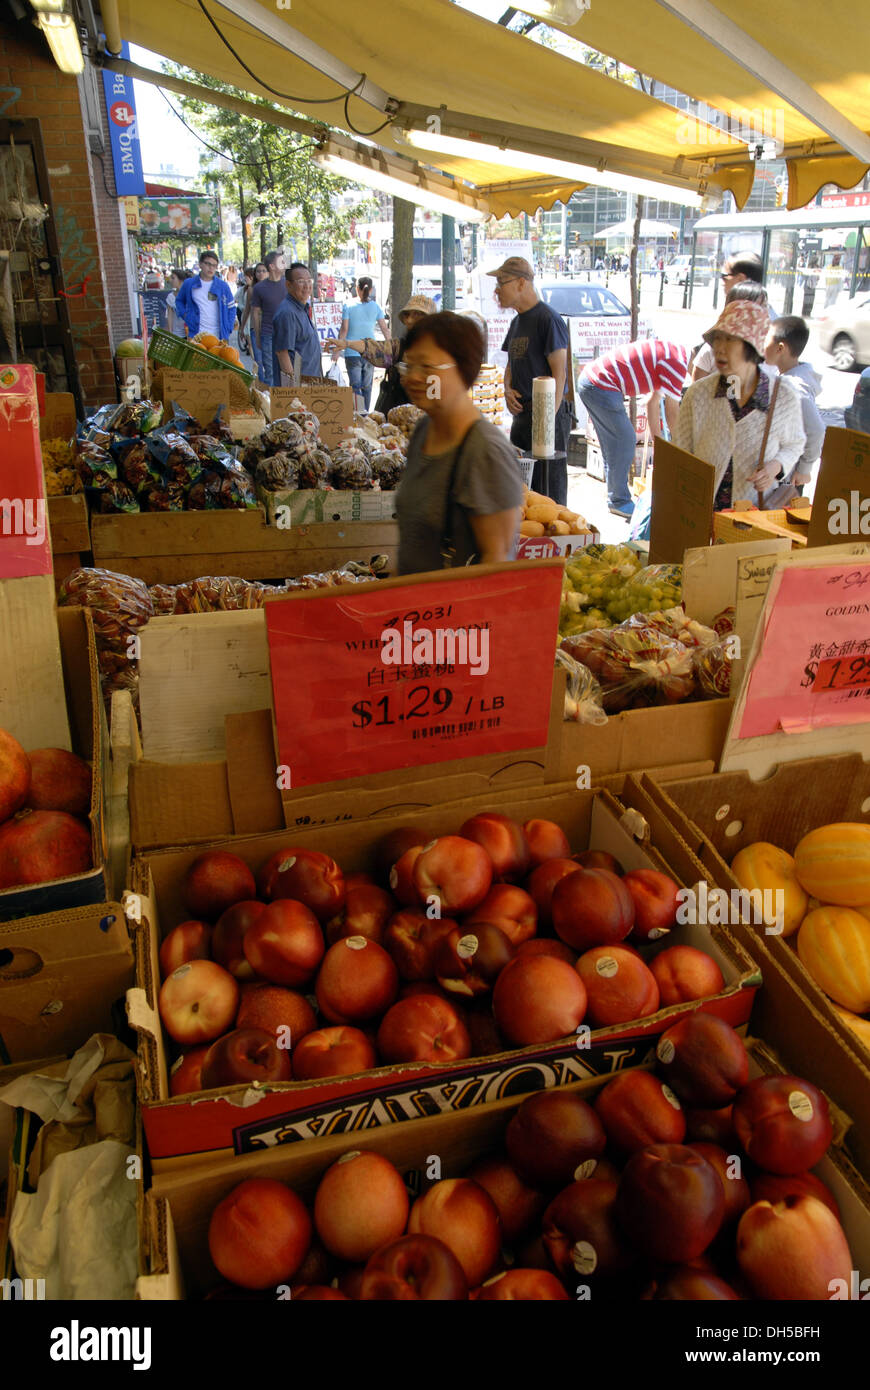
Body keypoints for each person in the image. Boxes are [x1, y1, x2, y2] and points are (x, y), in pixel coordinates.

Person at [395, 312, 524, 575]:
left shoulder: (484, 450)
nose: (414, 378)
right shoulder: (424, 429)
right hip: (412, 611)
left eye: (427, 367)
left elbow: (496, 562)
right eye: (408, 366)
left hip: (452, 613)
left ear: (463, 369)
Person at [674, 301, 805, 511]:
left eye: (730, 340)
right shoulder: (698, 395)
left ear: (752, 347)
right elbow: (680, 455)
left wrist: (775, 467)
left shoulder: (783, 398)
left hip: (752, 519)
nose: (719, 349)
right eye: (717, 340)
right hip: (699, 514)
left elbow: (795, 444)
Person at [489, 256, 571, 505]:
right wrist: (507, 389)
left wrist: (547, 422)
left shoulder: (548, 319)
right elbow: (511, 365)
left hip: (548, 417)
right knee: (521, 489)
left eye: (502, 282)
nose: (496, 290)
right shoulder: (516, 323)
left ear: (522, 283)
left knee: (548, 492)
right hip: (522, 416)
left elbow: (560, 373)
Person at [579, 339, 689, 519]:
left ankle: (615, 496)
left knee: (615, 446)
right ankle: (619, 500)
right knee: (624, 440)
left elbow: (652, 404)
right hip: (599, 384)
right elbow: (672, 413)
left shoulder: (672, 355)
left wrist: (661, 446)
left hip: (592, 381)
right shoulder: (677, 363)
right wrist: (680, 451)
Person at [325, 294, 437, 414]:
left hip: (428, 419)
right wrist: (347, 343)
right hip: (398, 421)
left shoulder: (441, 352)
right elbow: (375, 348)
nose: (409, 320)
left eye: (416, 315)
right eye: (408, 315)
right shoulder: (399, 346)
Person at [692, 251, 776, 382]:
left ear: (741, 279)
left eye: (725, 276)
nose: (722, 282)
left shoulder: (771, 335)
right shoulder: (709, 351)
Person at [763, 315, 824, 493]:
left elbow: (816, 430)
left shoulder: (795, 388)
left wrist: (804, 469)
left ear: (780, 348)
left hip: (788, 476)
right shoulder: (788, 378)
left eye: (766, 339)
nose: (762, 345)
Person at [338, 277, 388, 410]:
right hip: (371, 351)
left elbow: (344, 330)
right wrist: (390, 349)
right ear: (370, 290)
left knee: (355, 386)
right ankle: (366, 415)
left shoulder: (348, 305)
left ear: (356, 288)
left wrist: (337, 350)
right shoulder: (376, 307)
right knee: (367, 387)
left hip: (352, 352)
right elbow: (384, 329)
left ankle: (359, 414)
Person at [273, 262, 322, 385]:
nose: (307, 286)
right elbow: (282, 353)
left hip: (310, 383)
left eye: (309, 281)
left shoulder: (301, 308)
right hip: (299, 390)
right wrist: (294, 389)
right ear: (288, 285)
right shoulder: (288, 313)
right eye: (300, 281)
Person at [173, 250, 236, 342]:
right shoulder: (189, 284)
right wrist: (185, 315)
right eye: (208, 264)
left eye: (214, 265)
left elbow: (231, 307)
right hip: (196, 335)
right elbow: (179, 301)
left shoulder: (222, 286)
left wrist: (228, 327)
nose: (211, 268)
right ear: (200, 264)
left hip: (219, 336)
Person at [250, 250, 288, 386]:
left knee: (288, 371)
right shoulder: (259, 288)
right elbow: (255, 313)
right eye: (281, 262)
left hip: (287, 333)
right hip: (268, 334)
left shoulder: (288, 285)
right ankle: (271, 403)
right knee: (270, 371)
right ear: (272, 266)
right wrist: (258, 337)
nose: (284, 264)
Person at [165, 268, 191, 336]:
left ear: (181, 280)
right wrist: (170, 332)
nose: (170, 280)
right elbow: (169, 316)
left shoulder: (190, 295)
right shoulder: (170, 297)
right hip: (177, 334)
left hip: (190, 333)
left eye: (173, 278)